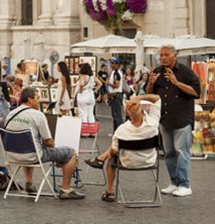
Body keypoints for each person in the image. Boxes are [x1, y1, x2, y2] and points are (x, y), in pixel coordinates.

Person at [3, 86, 84, 199]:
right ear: (30, 100)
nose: (39, 100)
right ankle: (66, 189)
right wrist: (53, 144)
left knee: (29, 144)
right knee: (71, 153)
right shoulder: (38, 115)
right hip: (32, 155)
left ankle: (29, 182)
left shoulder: (10, 114)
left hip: (11, 155)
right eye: (37, 98)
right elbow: (48, 142)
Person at [85, 94, 161, 202]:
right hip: (149, 161)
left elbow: (114, 150)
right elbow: (157, 99)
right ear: (143, 111)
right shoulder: (153, 124)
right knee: (112, 151)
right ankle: (100, 159)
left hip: (128, 162)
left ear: (128, 113)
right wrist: (139, 98)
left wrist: (110, 153)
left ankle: (110, 191)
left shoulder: (122, 130)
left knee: (111, 158)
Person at [149, 44, 200, 197]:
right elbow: (150, 94)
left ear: (174, 55)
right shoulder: (158, 71)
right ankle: (174, 182)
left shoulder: (186, 72)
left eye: (166, 55)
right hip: (164, 119)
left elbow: (196, 92)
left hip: (181, 119)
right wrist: (151, 83)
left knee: (181, 152)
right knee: (169, 153)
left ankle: (185, 185)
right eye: (161, 55)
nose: (163, 57)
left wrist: (176, 82)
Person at [107, 60, 125, 129]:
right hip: (114, 96)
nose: (111, 64)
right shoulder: (114, 72)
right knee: (115, 116)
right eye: (110, 63)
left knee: (117, 116)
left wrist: (108, 83)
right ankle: (116, 132)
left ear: (117, 64)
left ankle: (119, 132)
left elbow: (117, 85)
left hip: (116, 96)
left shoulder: (116, 73)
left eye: (113, 63)